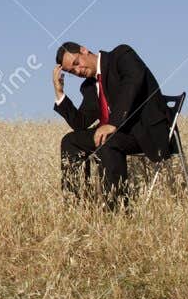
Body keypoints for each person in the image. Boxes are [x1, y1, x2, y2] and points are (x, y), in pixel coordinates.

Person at [53, 41, 174, 208]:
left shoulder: (121, 56)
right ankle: (76, 205)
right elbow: (80, 123)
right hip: (118, 135)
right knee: (70, 141)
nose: (78, 71)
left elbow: (133, 83)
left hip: (146, 131)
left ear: (84, 50)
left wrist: (113, 123)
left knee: (107, 140)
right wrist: (59, 93)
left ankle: (116, 212)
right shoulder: (89, 86)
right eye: (72, 71)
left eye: (76, 63)